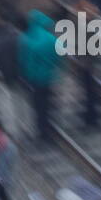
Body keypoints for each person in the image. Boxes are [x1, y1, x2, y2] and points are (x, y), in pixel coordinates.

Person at [18, 10, 60, 143]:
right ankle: (49, 128)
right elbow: (59, 56)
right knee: (47, 103)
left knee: (38, 105)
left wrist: (27, 76)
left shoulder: (28, 39)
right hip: (49, 76)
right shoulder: (51, 38)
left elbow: (26, 61)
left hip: (35, 78)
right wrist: (56, 71)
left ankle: (42, 132)